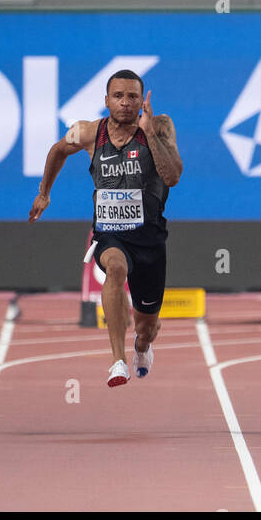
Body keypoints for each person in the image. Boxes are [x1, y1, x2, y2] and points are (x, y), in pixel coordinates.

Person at [29, 70, 182, 387]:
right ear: (106, 100)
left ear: (141, 100)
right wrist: (44, 193)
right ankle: (118, 361)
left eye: (132, 97)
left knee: (147, 327)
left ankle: (141, 347)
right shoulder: (89, 132)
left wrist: (149, 133)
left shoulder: (160, 125)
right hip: (110, 232)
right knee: (114, 270)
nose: (125, 103)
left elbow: (172, 176)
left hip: (150, 238)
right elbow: (58, 150)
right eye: (118, 96)